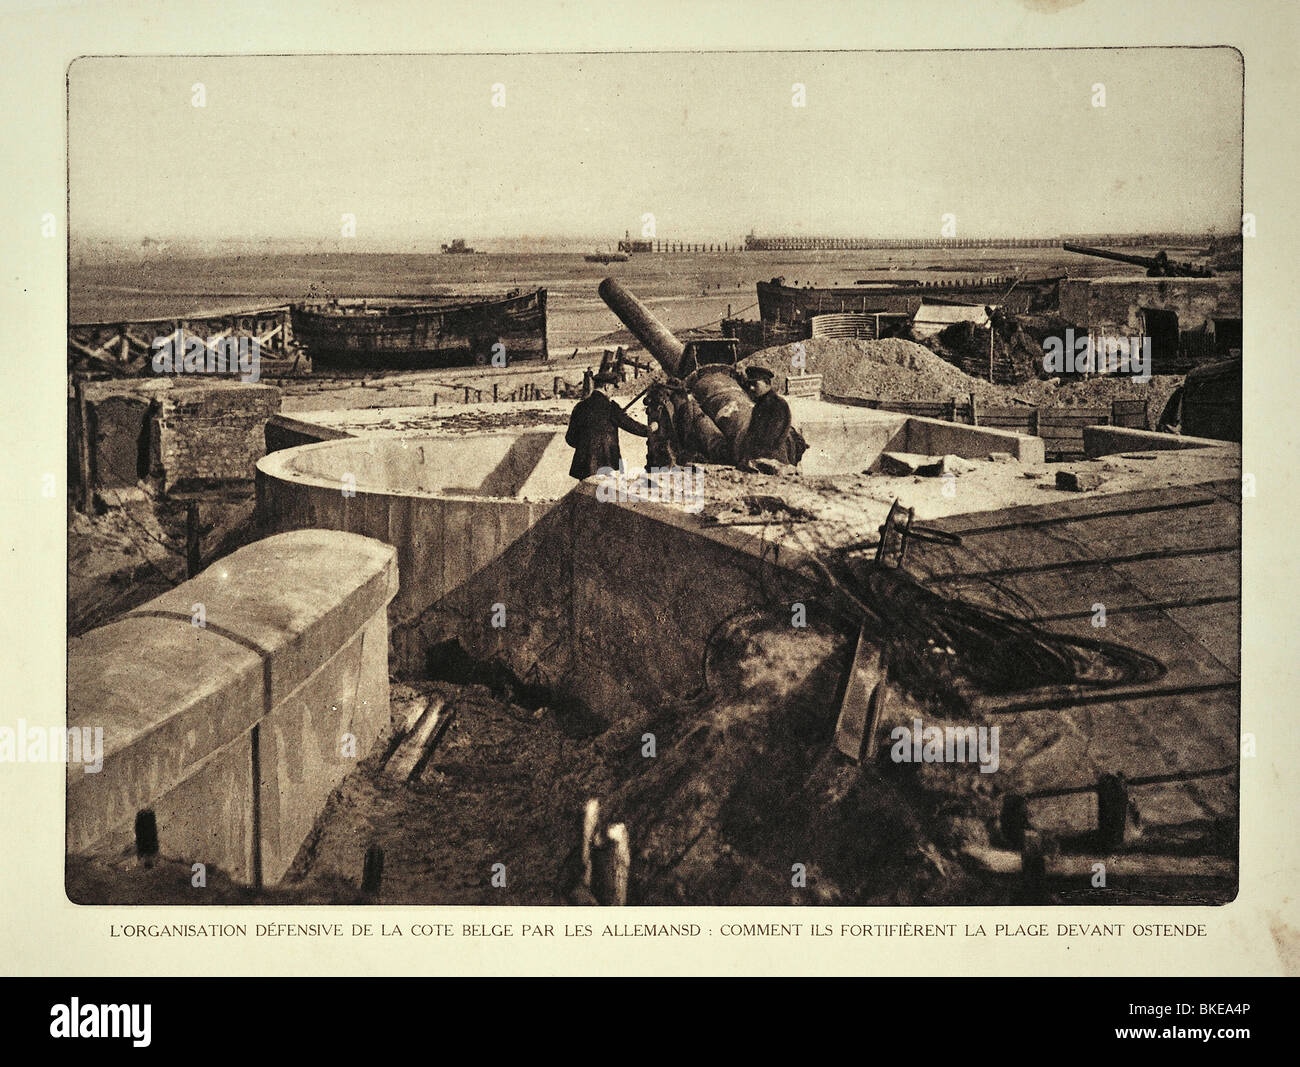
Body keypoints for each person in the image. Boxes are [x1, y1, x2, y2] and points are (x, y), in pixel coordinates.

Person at [565, 369, 648, 479]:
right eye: (613, 388)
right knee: (606, 493)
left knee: (587, 493)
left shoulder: (580, 406)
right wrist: (649, 430)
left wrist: (584, 447)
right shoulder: (611, 407)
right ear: (607, 387)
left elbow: (570, 438)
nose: (613, 391)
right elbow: (631, 425)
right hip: (606, 462)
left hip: (583, 464)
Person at [739, 365, 802, 466]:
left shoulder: (778, 404)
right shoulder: (760, 405)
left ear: (767, 384)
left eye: (755, 384)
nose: (751, 388)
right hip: (760, 458)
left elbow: (772, 438)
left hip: (774, 459)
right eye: (750, 384)